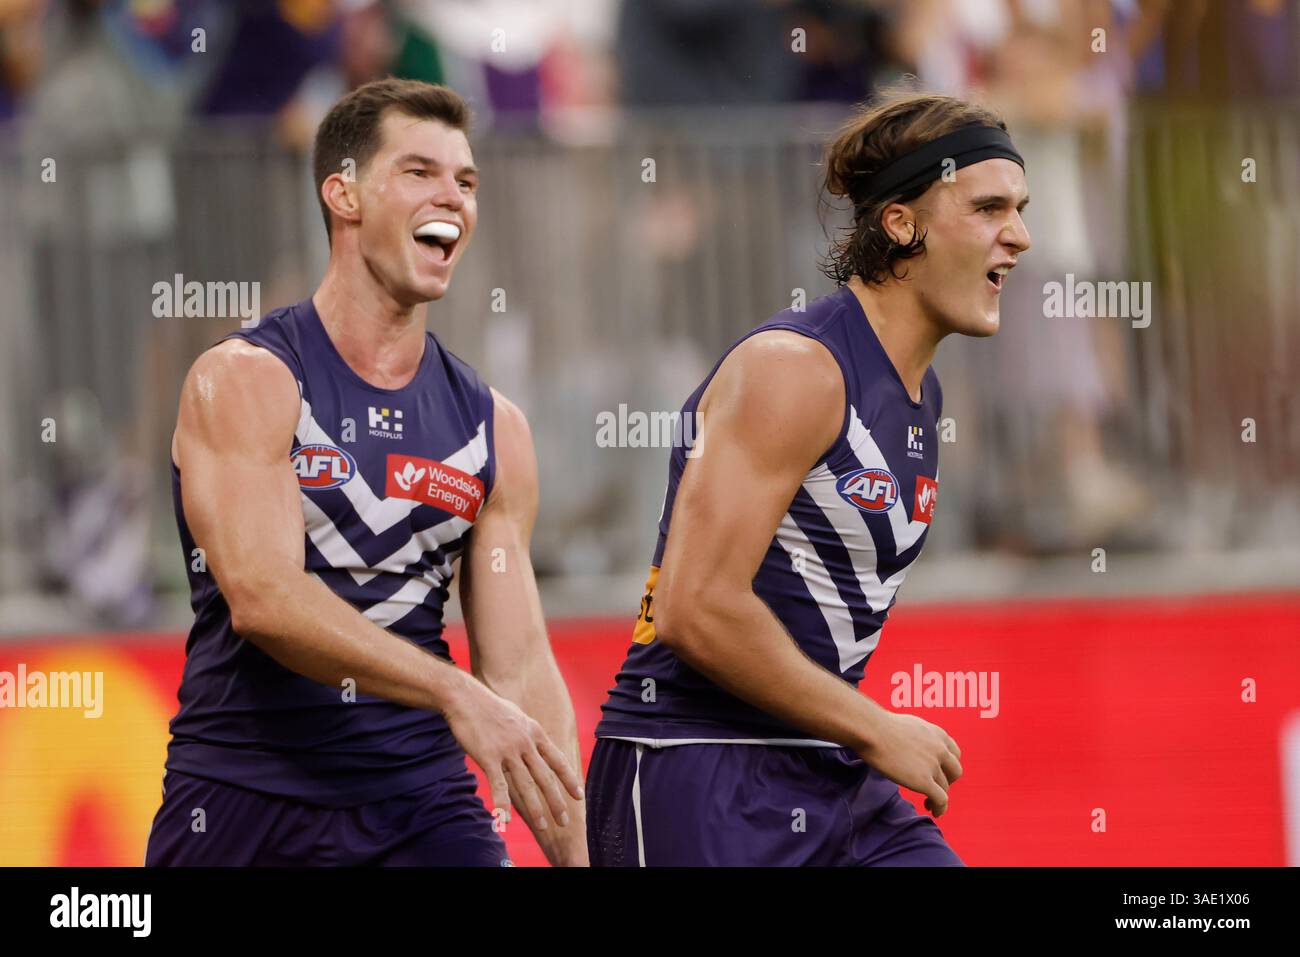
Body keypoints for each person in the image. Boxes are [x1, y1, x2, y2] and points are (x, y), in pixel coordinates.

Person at [146, 78, 586, 867]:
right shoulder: (247, 378)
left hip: (421, 807)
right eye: (419, 171)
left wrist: (581, 858)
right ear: (342, 194)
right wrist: (454, 692)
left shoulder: (494, 429)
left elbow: (517, 668)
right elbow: (264, 599)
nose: (451, 194)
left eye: (466, 179)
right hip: (244, 800)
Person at [587, 92, 1031, 866]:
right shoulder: (795, 369)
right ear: (902, 223)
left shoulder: (925, 392)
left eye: (1020, 208)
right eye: (988, 207)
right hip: (696, 765)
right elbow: (696, 609)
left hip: (828, 769)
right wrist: (876, 725)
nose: (1019, 236)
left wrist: (855, 731)